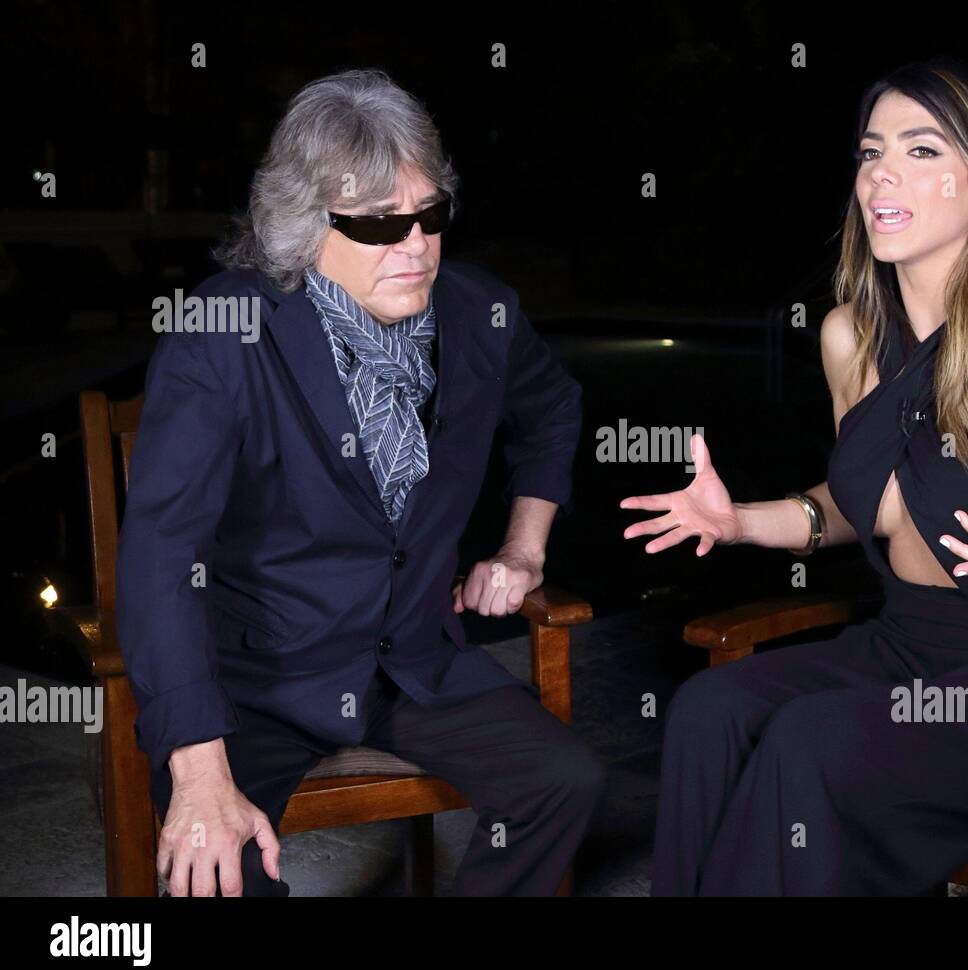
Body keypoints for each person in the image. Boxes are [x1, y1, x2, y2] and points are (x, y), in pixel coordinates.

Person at [621, 56, 968, 895]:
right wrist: (742, 520)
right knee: (711, 710)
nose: (882, 171)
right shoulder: (848, 335)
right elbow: (864, 507)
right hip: (907, 648)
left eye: (921, 150)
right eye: (869, 150)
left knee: (810, 739)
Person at [117, 69, 605, 897]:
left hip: (412, 663)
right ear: (306, 230)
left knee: (568, 782)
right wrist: (199, 774)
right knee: (214, 871)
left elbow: (552, 408)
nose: (414, 244)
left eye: (429, 214)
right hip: (257, 681)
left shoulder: (480, 314)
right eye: (379, 224)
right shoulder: (221, 334)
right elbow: (161, 559)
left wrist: (524, 548)